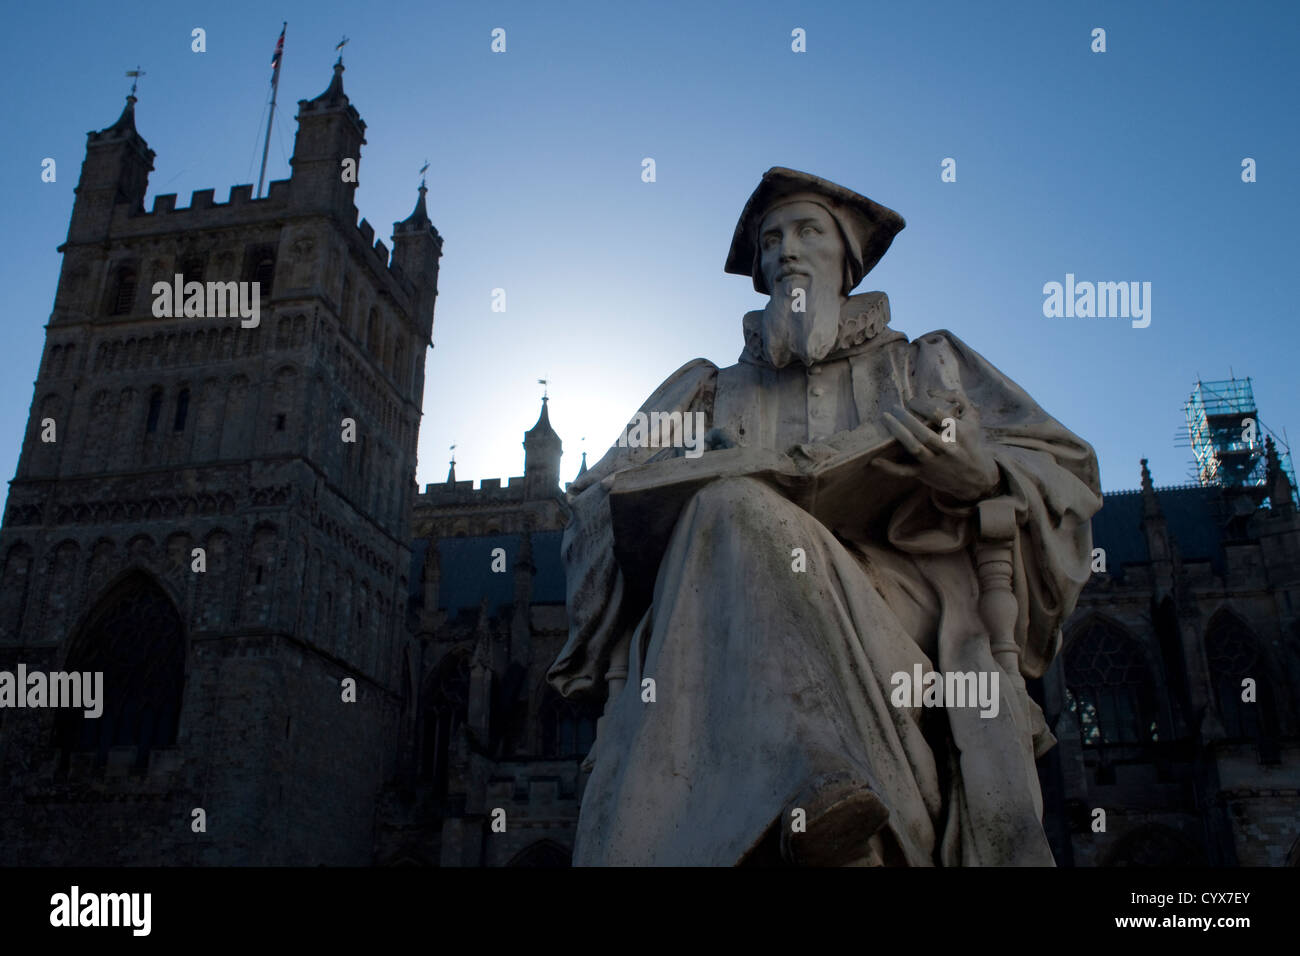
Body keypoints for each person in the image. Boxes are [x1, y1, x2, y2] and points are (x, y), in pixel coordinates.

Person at [548, 167, 1102, 865]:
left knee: (733, 509)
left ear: (848, 257)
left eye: (808, 232)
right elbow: (593, 506)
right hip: (714, 608)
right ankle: (820, 782)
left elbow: (1068, 471)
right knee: (729, 508)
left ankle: (814, 790)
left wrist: (985, 474)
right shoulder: (702, 393)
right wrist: (668, 479)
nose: (785, 250)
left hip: (899, 610)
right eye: (770, 239)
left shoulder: (924, 365)